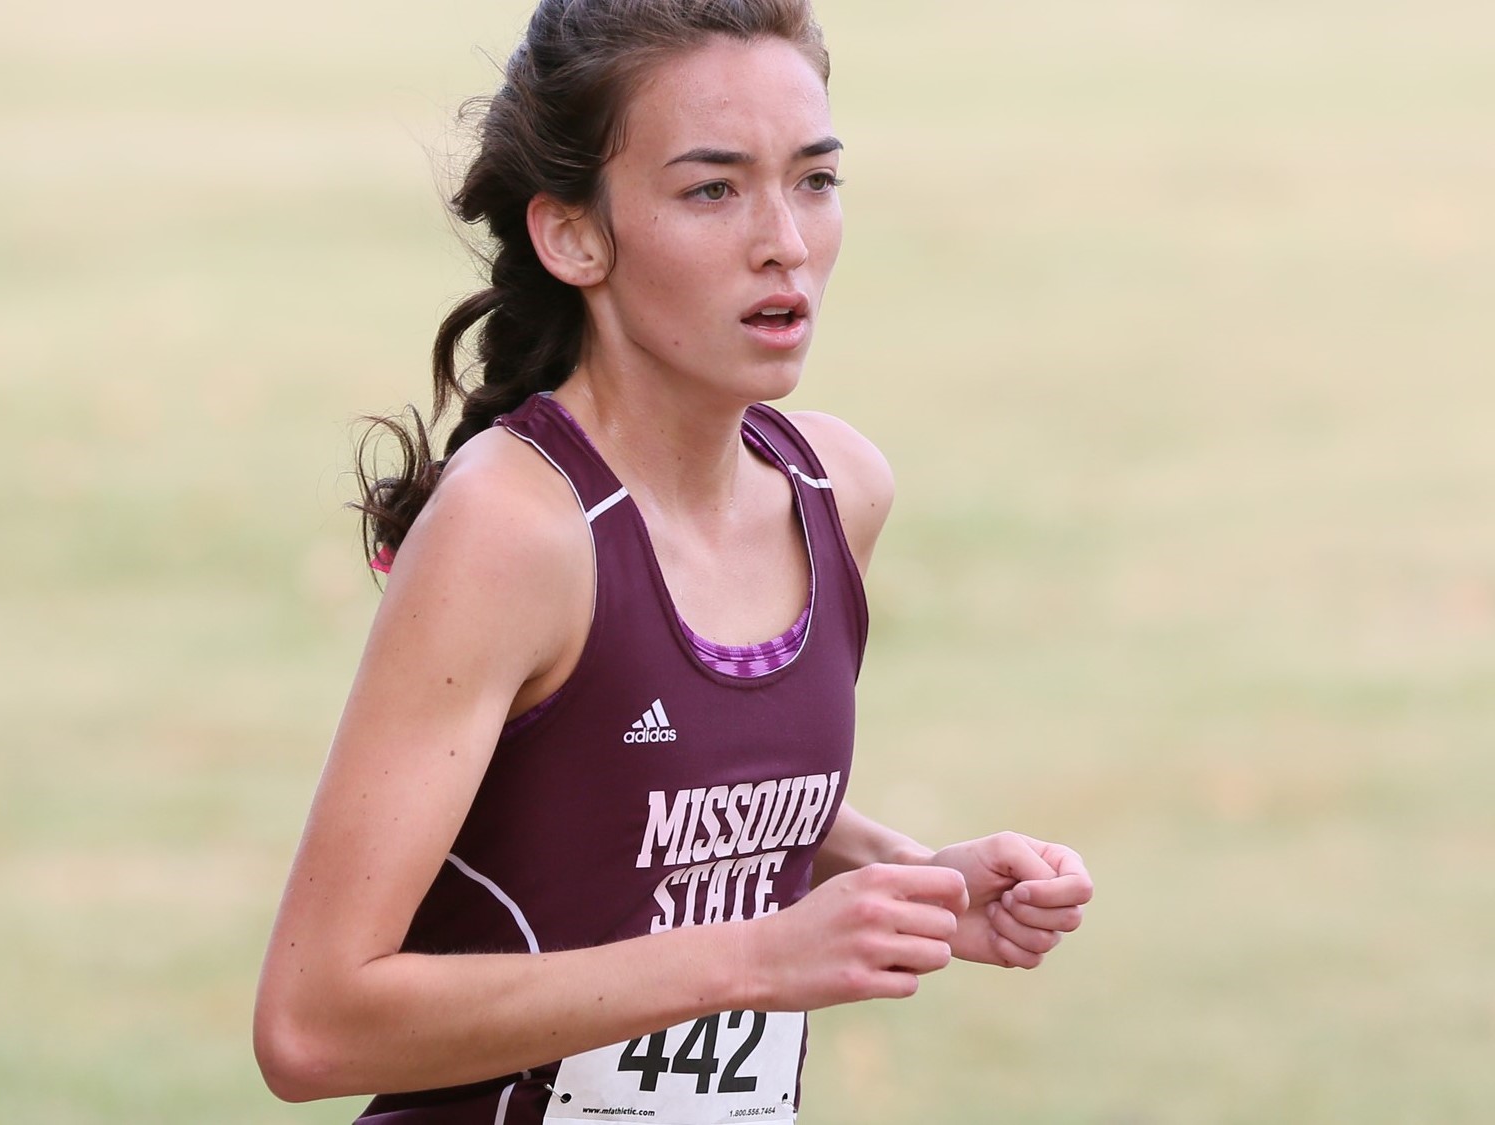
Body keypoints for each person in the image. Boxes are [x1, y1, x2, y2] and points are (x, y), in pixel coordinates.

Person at [254, 1, 1094, 1121]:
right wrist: (749, 960)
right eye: (711, 188)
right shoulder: (512, 530)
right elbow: (309, 1028)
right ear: (572, 236)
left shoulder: (833, 493)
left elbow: (658, 803)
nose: (783, 241)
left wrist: (920, 881)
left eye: (814, 179)